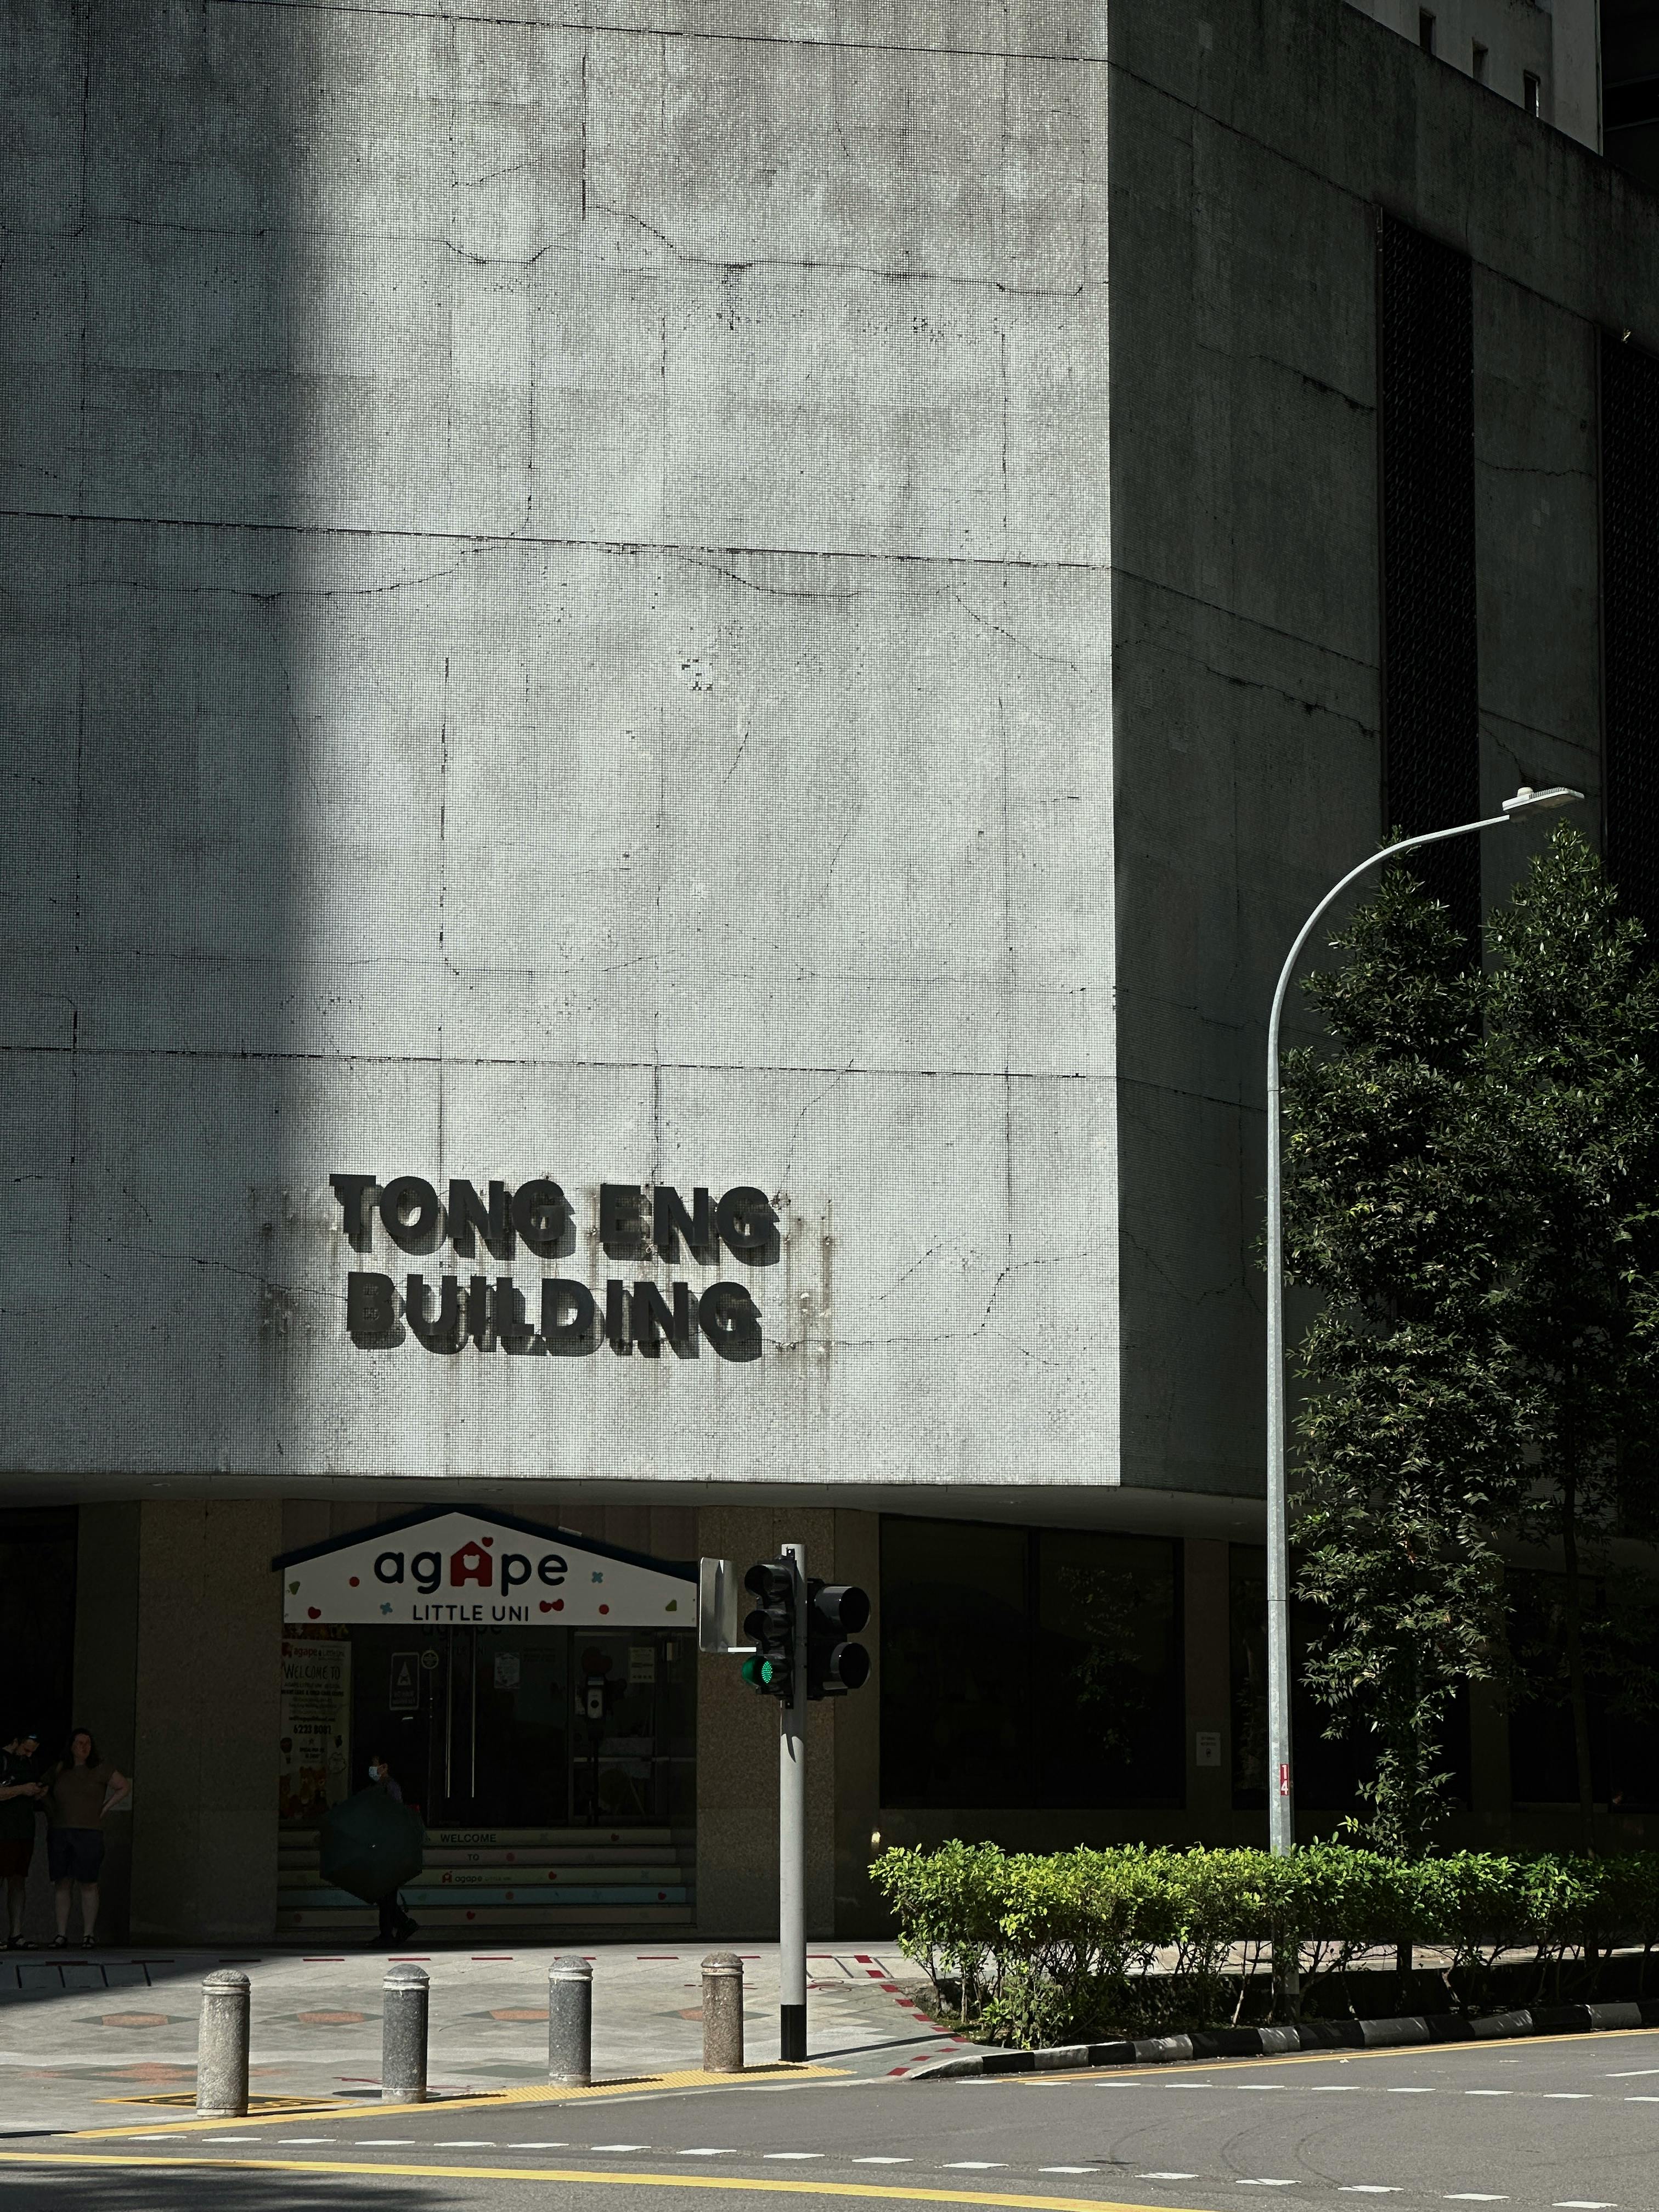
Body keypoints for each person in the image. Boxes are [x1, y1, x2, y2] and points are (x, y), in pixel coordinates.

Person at [43, 1728, 129, 1949]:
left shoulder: (100, 1768)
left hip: (89, 1831)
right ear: (71, 1745)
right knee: (62, 1882)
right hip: (61, 1830)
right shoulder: (61, 1768)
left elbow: (123, 1786)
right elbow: (43, 1789)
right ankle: (61, 1934)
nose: (84, 1747)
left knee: (88, 1882)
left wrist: (105, 1808)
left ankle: (88, 1934)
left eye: (88, 1743)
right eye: (80, 1742)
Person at [367, 1753, 417, 1945]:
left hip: (389, 1848)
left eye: (375, 1765)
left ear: (385, 1767)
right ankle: (401, 1925)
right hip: (383, 1847)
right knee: (383, 1895)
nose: (373, 1769)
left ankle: (389, 1933)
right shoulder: (381, 1788)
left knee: (385, 1894)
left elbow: (392, 1816)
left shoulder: (391, 1788)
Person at [0, 1731, 43, 1949]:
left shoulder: (28, 1763)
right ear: (15, 1742)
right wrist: (21, 1790)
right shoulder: (3, 1759)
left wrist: (36, 1792)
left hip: (24, 1830)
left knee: (18, 1881)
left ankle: (16, 1933)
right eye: (26, 1749)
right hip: (3, 1830)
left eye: (32, 1752)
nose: (28, 1755)